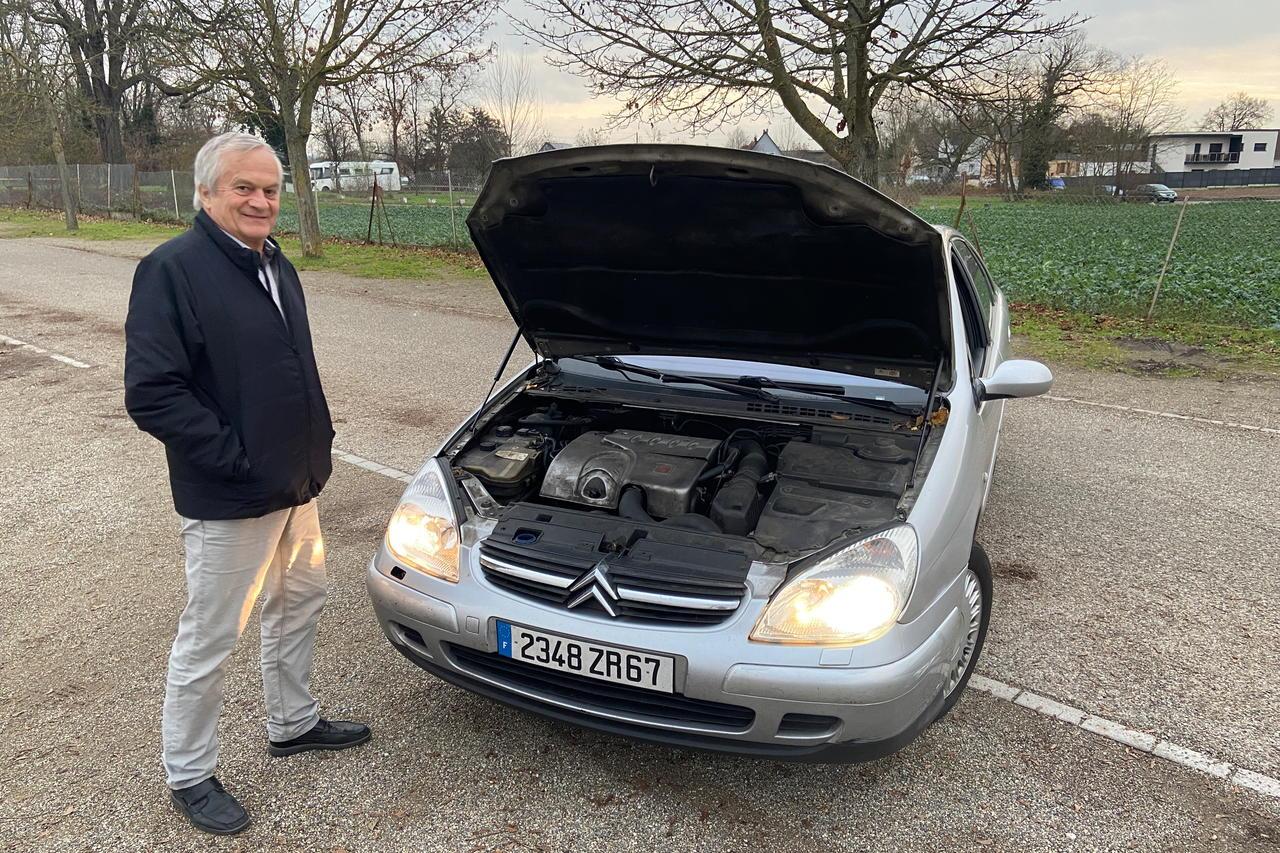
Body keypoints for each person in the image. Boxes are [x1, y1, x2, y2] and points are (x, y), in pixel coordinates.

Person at [124, 131, 370, 836]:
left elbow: (292, 365)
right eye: (244, 188)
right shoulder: (172, 269)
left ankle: (292, 721)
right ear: (206, 193)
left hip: (295, 482)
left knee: (301, 600)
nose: (261, 201)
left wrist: (315, 443)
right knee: (213, 633)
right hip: (232, 494)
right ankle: (188, 772)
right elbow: (153, 392)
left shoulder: (273, 262)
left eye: (270, 189)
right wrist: (237, 459)